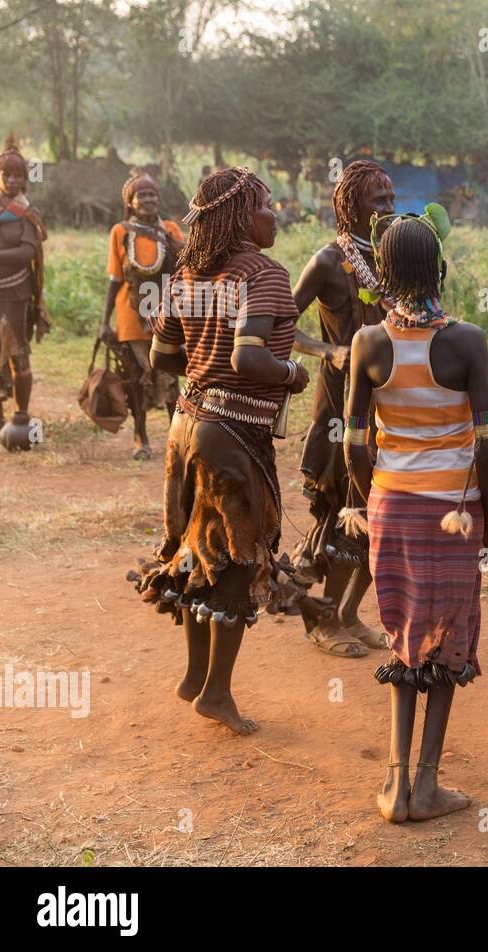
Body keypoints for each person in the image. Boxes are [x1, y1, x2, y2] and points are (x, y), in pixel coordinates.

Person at [130, 167, 324, 736]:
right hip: (231, 436)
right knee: (237, 560)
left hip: (186, 428)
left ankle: (195, 676)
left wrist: (201, 364)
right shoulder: (264, 274)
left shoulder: (189, 271)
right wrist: (292, 373)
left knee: (195, 550)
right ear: (242, 216)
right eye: (267, 204)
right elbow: (248, 359)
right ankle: (215, 694)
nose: (275, 213)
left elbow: (161, 358)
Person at [344, 206, 488, 823]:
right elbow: (487, 441)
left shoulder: (368, 343)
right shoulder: (466, 341)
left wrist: (373, 495)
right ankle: (428, 784)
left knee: (403, 639)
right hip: (453, 513)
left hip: (391, 507)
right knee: (445, 641)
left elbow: (355, 441)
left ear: (381, 273)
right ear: (439, 268)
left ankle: (395, 785)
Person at [290, 159, 396, 659]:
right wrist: (327, 350)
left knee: (385, 510)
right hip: (339, 406)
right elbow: (283, 326)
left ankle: (351, 612)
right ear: (351, 208)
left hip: (387, 404)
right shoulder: (328, 262)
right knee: (342, 511)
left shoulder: (392, 258)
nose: (389, 210)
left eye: (392, 201)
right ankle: (325, 620)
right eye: (379, 203)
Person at [99, 172, 184, 459]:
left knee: (172, 377)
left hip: (168, 317)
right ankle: (141, 438)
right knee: (136, 378)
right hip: (130, 318)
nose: (148, 200)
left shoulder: (171, 230)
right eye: (141, 196)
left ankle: (177, 439)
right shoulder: (120, 233)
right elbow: (114, 281)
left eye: (152, 195)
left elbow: (186, 273)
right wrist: (104, 322)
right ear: (130, 203)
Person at [0, 133, 49, 449]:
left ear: (25, 179)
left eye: (18, 175)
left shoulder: (27, 212)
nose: (12, 180)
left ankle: (21, 418)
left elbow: (26, 253)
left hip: (15, 295)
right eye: (6, 175)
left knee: (16, 355)